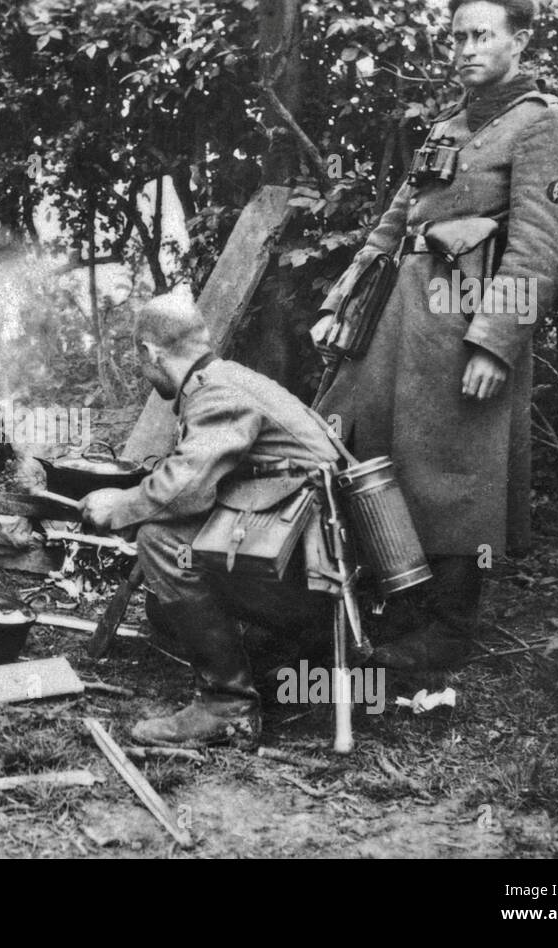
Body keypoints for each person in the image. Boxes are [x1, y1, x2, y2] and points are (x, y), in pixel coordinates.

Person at [316, 0, 558, 669]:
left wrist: (495, 341)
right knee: (372, 453)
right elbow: (392, 224)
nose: (465, 48)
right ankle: (397, 604)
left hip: (464, 327)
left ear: (516, 42)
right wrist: (341, 301)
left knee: (455, 474)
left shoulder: (543, 124)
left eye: (481, 36)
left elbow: (541, 248)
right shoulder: (449, 126)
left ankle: (446, 631)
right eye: (457, 36)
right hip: (399, 322)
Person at [80, 289, 338, 747]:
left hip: (317, 579)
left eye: (139, 361)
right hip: (322, 559)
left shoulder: (217, 394)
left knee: (161, 540)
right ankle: (283, 658)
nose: (142, 371)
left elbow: (186, 490)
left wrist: (118, 507)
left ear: (150, 352)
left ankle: (226, 703)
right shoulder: (228, 378)